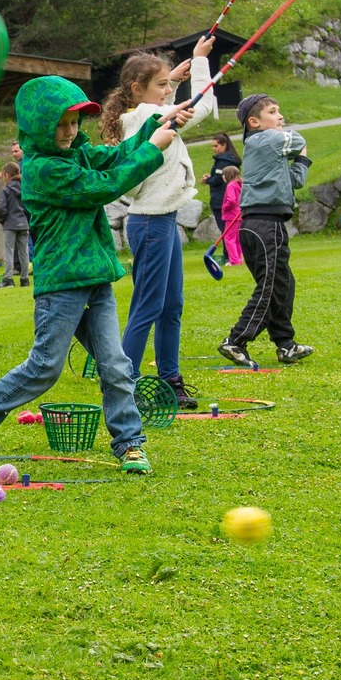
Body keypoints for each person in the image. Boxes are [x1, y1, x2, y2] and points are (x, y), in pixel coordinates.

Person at [0, 77, 191, 476]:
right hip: (61, 284)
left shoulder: (75, 153)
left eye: (75, 123)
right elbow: (106, 185)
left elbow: (113, 159)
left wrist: (155, 127)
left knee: (115, 365)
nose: (70, 132)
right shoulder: (43, 168)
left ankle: (129, 444)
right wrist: (152, 151)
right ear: (39, 127)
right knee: (45, 366)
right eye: (61, 124)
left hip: (94, 278)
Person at [102, 39, 216, 408]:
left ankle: (170, 380)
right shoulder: (141, 118)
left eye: (170, 85)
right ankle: (125, 385)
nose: (168, 91)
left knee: (171, 306)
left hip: (161, 222)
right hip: (149, 224)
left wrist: (177, 78)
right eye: (161, 85)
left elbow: (161, 108)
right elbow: (202, 106)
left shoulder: (149, 112)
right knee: (147, 307)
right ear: (137, 90)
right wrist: (200, 63)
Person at [219, 93, 313, 369]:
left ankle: (285, 344)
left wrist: (302, 160)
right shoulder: (263, 140)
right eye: (273, 112)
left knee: (283, 284)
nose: (280, 116)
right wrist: (301, 149)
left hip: (269, 223)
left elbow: (295, 180)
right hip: (263, 224)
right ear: (254, 122)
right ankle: (235, 341)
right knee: (270, 286)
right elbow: (298, 140)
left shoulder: (270, 147)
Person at [0, 162, 30, 288]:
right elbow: (29, 207)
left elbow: (1, 208)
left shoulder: (6, 190)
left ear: (7, 175)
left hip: (10, 224)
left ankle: (8, 279)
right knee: (24, 252)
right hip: (24, 224)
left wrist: (2, 220)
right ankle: (24, 279)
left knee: (9, 251)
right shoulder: (25, 188)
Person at [203, 132, 241, 237]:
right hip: (234, 201)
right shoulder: (232, 159)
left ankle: (228, 253)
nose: (213, 149)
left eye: (216, 146)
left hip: (221, 200)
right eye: (212, 146)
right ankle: (233, 253)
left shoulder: (223, 162)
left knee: (226, 232)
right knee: (231, 232)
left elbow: (218, 180)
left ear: (224, 145)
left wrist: (207, 180)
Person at [220, 170, 244, 267]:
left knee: (229, 238)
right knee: (237, 239)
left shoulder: (231, 185)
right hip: (239, 214)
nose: (222, 176)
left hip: (232, 215)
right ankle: (238, 259)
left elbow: (231, 200)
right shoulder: (239, 184)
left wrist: (224, 208)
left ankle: (234, 260)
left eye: (223, 174)